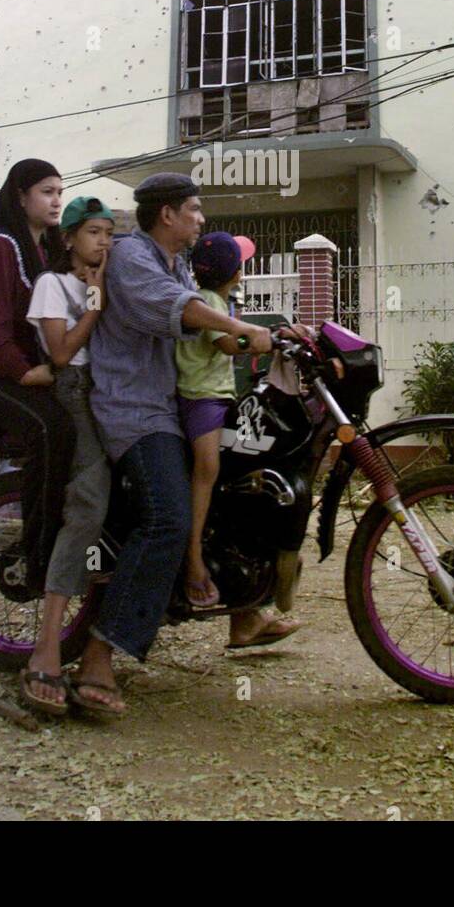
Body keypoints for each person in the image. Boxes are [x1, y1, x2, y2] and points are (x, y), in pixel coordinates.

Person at [69, 173, 298, 718]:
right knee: (169, 517)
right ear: (167, 214)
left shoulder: (171, 260)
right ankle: (97, 658)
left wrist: (275, 331)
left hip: (166, 405)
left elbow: (200, 317)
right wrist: (246, 330)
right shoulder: (131, 257)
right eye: (194, 209)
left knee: (232, 485)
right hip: (133, 410)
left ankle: (242, 611)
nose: (201, 219)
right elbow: (179, 310)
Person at [0, 159, 75, 603]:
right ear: (20, 196)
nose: (56, 200)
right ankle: (36, 553)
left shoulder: (44, 249)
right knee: (52, 429)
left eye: (59, 191)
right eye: (46, 191)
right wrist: (29, 373)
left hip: (29, 369)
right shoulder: (2, 248)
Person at [20, 196, 116, 715]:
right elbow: (59, 354)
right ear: (69, 238)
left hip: (111, 394)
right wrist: (95, 303)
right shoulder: (54, 285)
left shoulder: (100, 284)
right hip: (73, 391)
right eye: (93, 232)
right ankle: (47, 646)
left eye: (107, 232)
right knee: (89, 504)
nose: (103, 240)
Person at [175, 230, 255, 608]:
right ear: (235, 273)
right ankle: (191, 554)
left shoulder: (217, 301)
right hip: (200, 399)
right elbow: (227, 343)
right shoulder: (208, 302)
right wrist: (258, 338)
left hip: (216, 397)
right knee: (206, 470)